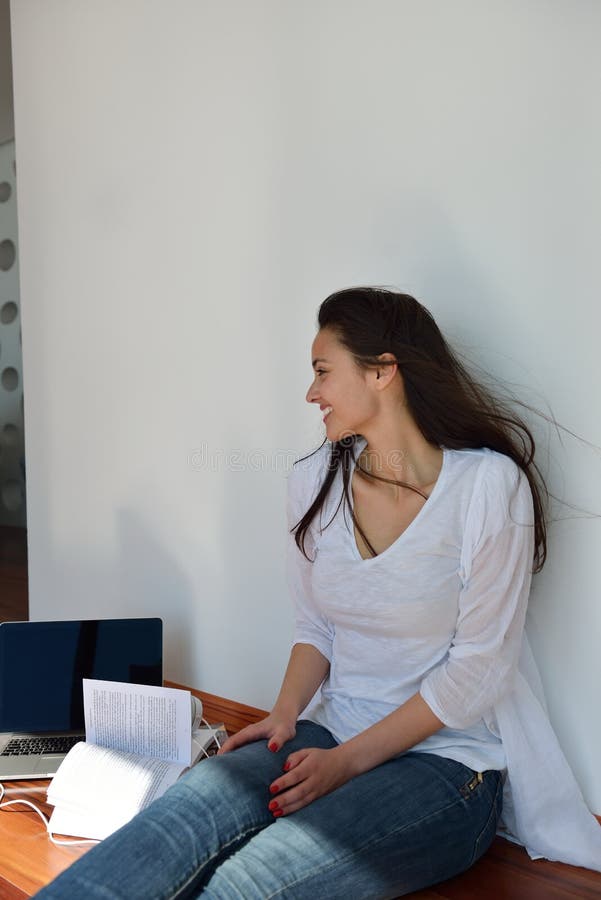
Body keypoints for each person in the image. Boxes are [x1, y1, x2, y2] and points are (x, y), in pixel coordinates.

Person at [36, 288, 601, 898]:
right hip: (328, 733)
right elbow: (317, 628)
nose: (311, 393)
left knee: (248, 883)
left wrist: (349, 761)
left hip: (447, 768)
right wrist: (284, 715)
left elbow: (478, 673)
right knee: (179, 820)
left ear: (383, 371)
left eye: (322, 371)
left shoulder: (488, 486)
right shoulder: (312, 483)